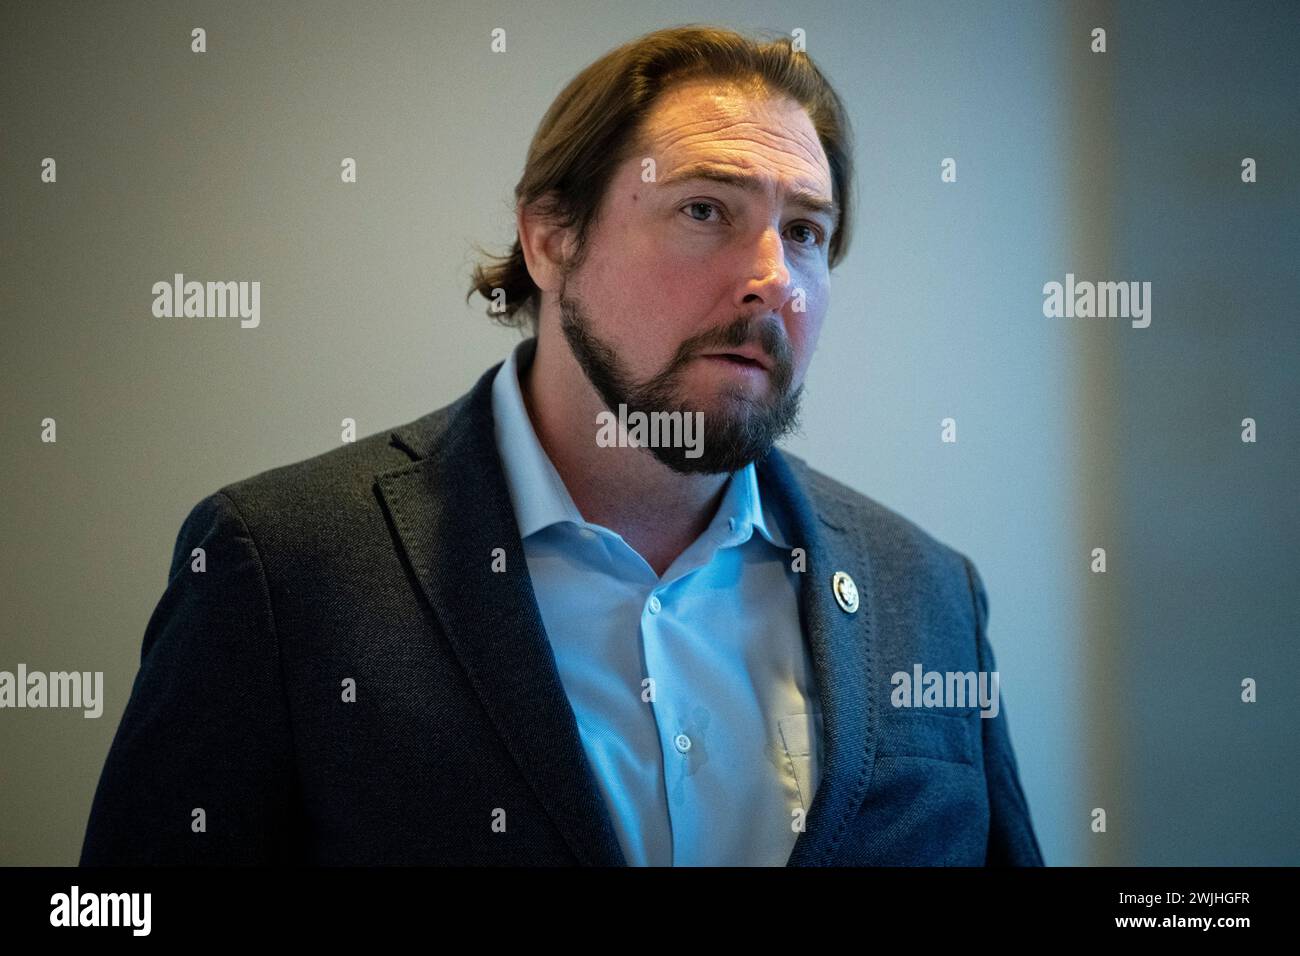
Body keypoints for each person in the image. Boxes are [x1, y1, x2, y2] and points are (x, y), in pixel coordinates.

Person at [80, 25, 1043, 866]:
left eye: (804, 232)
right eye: (705, 210)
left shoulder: (928, 593)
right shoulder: (285, 570)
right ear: (549, 239)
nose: (772, 281)